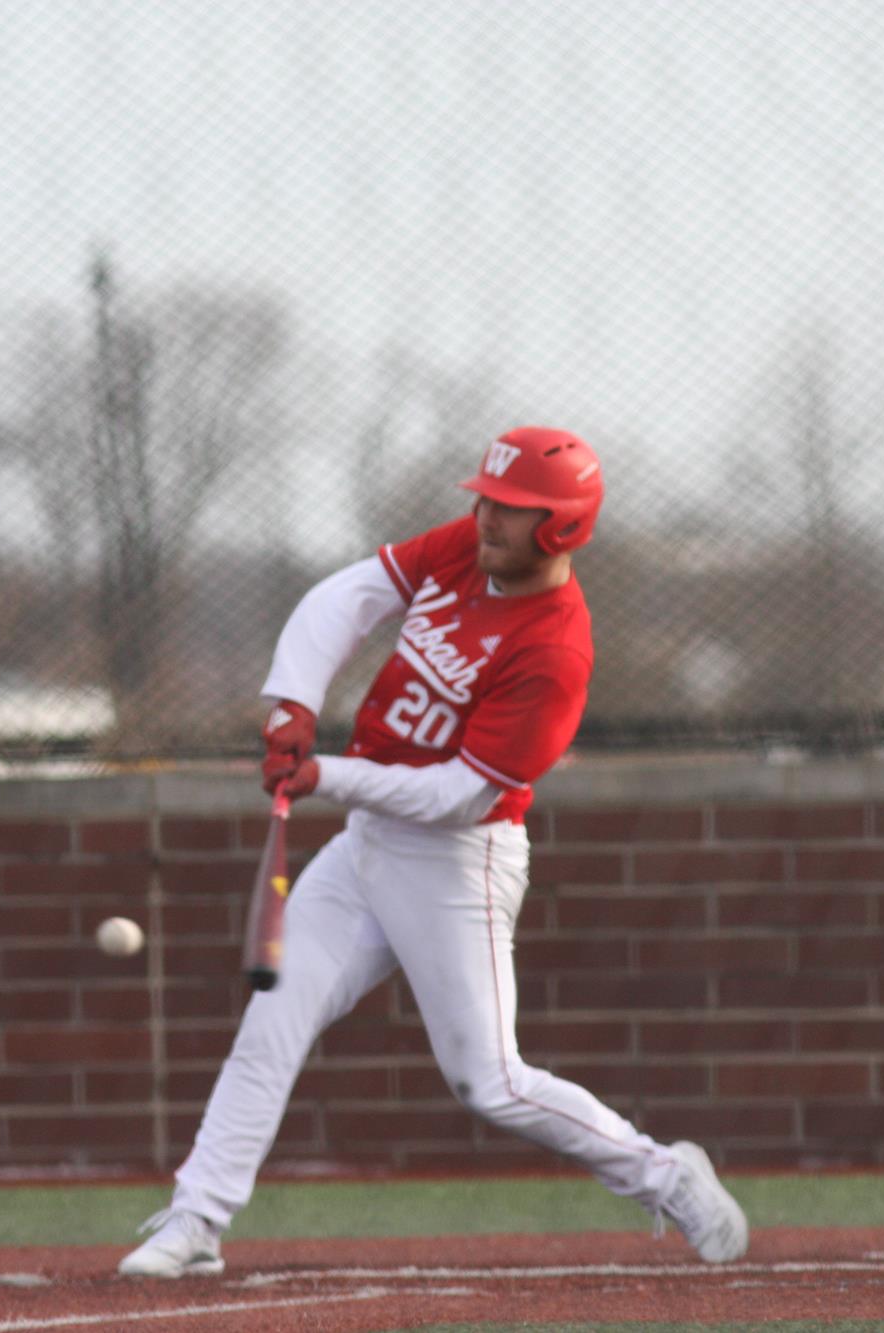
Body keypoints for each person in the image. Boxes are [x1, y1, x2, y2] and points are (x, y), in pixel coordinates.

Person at [117, 427, 748, 1278]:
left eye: (512, 509)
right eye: (484, 498)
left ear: (560, 529)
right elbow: (345, 596)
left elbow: (459, 793)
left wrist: (329, 772)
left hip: (457, 862)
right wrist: (292, 707)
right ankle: (197, 1217)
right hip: (369, 842)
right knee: (273, 1017)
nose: (485, 516)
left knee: (489, 1081)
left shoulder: (555, 650)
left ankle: (665, 1174)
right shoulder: (466, 548)